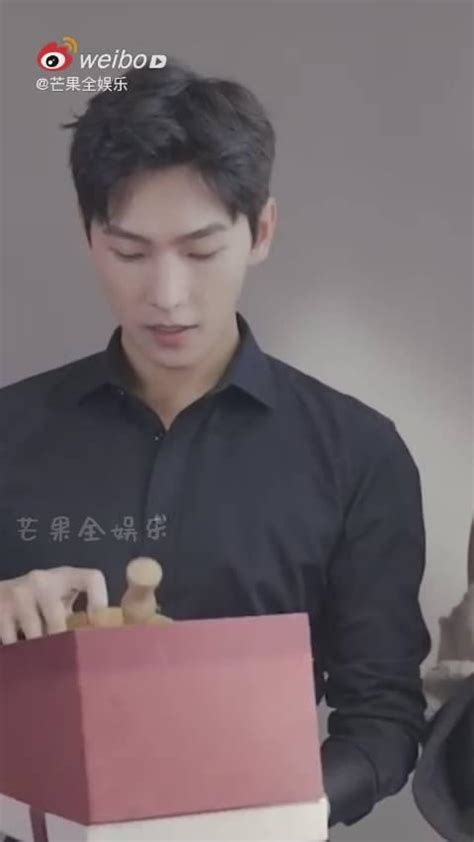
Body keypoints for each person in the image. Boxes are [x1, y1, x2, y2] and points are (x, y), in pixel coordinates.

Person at [0, 57, 431, 831]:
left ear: (261, 230)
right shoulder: (8, 432)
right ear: (88, 235)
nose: (167, 296)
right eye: (130, 252)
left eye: (200, 251)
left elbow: (382, 720)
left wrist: (273, 817)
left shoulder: (358, 454)